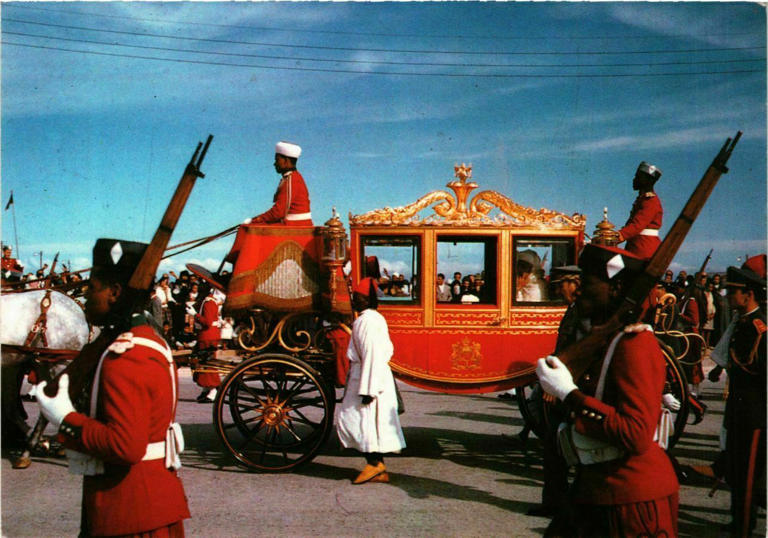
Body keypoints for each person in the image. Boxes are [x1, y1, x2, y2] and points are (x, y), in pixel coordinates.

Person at [34, 238, 190, 537]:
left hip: (128, 515)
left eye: (91, 288)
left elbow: (125, 446)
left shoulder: (126, 357)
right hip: (149, 505)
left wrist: (67, 420)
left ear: (115, 293)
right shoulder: (148, 341)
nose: (86, 296)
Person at [536, 244, 678, 536]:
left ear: (615, 290)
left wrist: (569, 394)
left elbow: (636, 434)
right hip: (595, 487)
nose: (577, 291)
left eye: (587, 283)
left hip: (631, 497)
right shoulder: (607, 338)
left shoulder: (634, 344)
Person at [709, 255, 766, 536]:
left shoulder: (760, 330)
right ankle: (738, 521)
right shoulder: (742, 324)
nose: (729, 296)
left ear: (749, 294)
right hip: (738, 411)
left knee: (749, 476)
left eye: (733, 291)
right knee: (735, 469)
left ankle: (744, 528)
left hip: (755, 415)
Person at [336, 277, 406, 484]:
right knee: (368, 424)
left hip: (369, 379)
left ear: (367, 300)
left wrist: (369, 389)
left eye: (358, 297)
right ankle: (377, 466)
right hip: (367, 376)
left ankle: (374, 464)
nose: (354, 301)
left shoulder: (368, 321)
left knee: (358, 421)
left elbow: (372, 354)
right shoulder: (368, 319)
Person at [526, 265, 582, 518]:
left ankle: (561, 502)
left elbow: (577, 353)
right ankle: (556, 501)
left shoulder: (581, 312)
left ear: (573, 283)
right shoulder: (574, 310)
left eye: (560, 285)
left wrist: (556, 385)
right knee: (554, 447)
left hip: (568, 388)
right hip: (564, 385)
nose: (558, 290)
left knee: (558, 446)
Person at [246, 141, 312, 226]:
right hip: (292, 223)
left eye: (277, 160)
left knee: (251, 228)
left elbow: (279, 212)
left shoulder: (292, 179)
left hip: (296, 225)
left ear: (286, 160)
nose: (274, 164)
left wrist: (259, 219)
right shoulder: (291, 178)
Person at [617, 161, 663, 260]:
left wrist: (615, 237)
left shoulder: (650, 201)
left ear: (647, 180)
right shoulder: (643, 199)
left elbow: (637, 225)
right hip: (636, 246)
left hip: (643, 250)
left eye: (638, 177)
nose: (634, 180)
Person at [193, 288, 225, 403]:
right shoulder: (211, 302)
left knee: (208, 364)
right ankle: (207, 388)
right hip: (209, 335)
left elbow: (207, 322)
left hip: (207, 336)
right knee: (205, 364)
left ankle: (212, 389)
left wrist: (195, 315)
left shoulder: (209, 302)